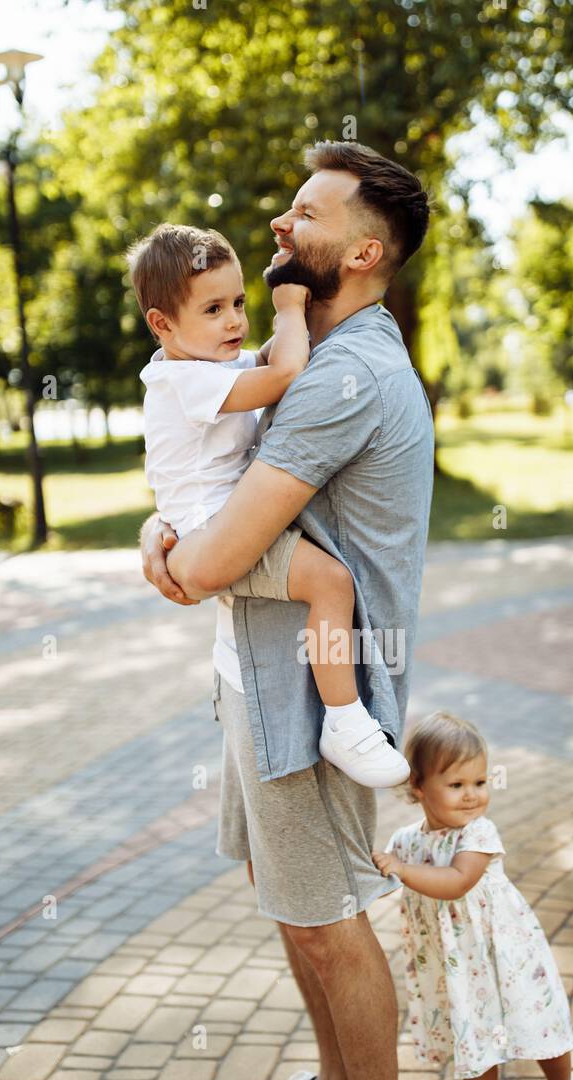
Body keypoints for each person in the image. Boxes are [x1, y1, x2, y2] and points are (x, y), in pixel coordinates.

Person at [140, 140, 434, 1080]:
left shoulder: (345, 374)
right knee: (284, 893)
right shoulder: (316, 356)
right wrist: (165, 536)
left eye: (303, 213)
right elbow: (199, 484)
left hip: (311, 699)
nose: (278, 225)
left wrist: (169, 556)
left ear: (360, 251)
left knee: (327, 915)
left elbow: (215, 554)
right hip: (250, 672)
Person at [127, 222, 409, 788]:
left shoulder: (210, 365)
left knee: (326, 582)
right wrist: (288, 306)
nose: (234, 320)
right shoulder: (184, 382)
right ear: (162, 324)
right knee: (330, 583)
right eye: (212, 310)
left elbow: (272, 358)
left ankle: (343, 717)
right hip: (213, 532)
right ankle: (346, 721)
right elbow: (284, 372)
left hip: (214, 524)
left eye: (238, 301)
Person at [373, 710, 573, 1080]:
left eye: (480, 782)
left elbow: (456, 881)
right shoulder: (405, 842)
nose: (473, 795)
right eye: (456, 785)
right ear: (418, 786)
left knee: (537, 1019)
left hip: (504, 953)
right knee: (474, 1039)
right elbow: (389, 874)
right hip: (455, 965)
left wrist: (399, 869)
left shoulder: (478, 833)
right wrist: (381, 866)